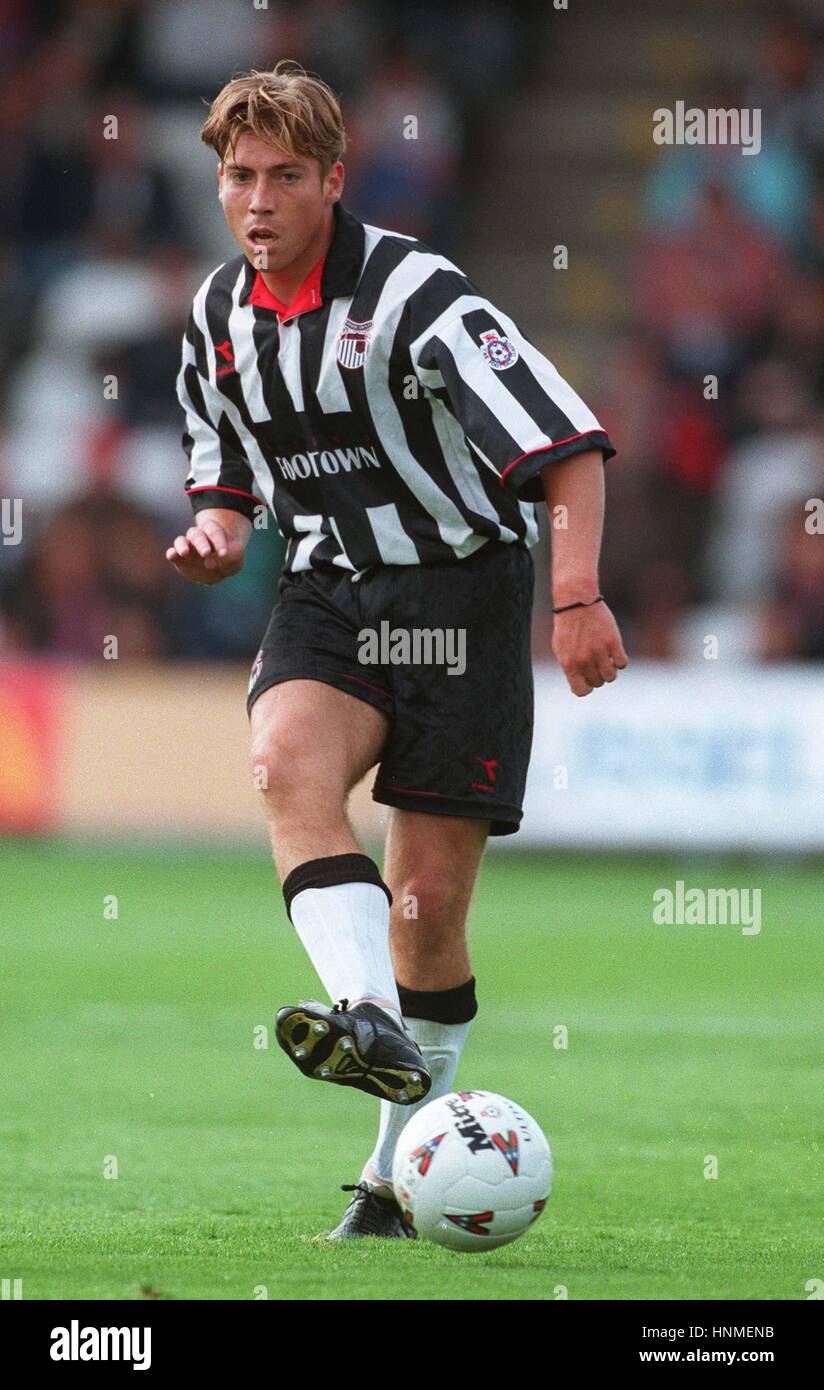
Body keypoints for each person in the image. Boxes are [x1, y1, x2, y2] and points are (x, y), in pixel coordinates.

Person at [166, 60, 627, 1240]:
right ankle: (364, 1012)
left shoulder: (419, 295)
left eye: (280, 177)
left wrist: (574, 600)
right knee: (282, 766)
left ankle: (385, 1175)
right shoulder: (219, 314)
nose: (255, 201)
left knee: (425, 905)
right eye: (235, 177)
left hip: (465, 595)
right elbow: (221, 463)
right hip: (329, 590)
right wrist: (218, 526)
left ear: (331, 179)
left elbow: (562, 446)